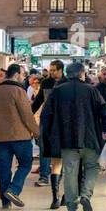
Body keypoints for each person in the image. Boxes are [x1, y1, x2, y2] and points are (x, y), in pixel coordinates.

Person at [40, 60, 106, 211]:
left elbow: (46, 115)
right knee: (92, 167)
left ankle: (71, 208)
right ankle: (86, 195)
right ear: (82, 74)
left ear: (67, 74)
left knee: (70, 172)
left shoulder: (58, 91)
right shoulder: (92, 90)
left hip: (67, 140)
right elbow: (105, 109)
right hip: (90, 138)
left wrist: (47, 135)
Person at [0, 63, 37, 209]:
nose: (23, 77)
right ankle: (13, 190)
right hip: (20, 137)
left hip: (1, 138)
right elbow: (27, 116)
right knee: (25, 164)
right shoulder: (19, 91)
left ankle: (5, 202)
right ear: (16, 75)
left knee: (4, 169)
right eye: (22, 74)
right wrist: (37, 132)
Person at [32, 59, 65, 197]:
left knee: (62, 148)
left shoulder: (66, 83)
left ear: (60, 70)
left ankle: (59, 174)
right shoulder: (46, 83)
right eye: (50, 70)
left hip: (62, 120)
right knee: (44, 146)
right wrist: (29, 114)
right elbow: (39, 100)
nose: (51, 73)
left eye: (53, 70)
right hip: (47, 118)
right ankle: (44, 176)